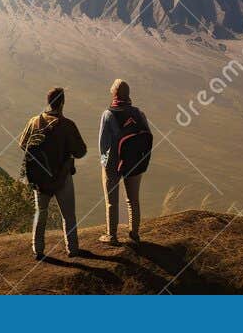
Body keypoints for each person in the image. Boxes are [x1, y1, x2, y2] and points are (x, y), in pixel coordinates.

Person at [18, 86, 87, 261]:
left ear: (48, 102)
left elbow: (22, 144)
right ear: (62, 103)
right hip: (62, 177)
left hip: (40, 178)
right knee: (68, 215)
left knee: (41, 213)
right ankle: (72, 248)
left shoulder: (34, 121)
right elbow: (81, 151)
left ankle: (38, 249)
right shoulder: (68, 125)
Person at [98, 78, 153, 245]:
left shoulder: (108, 114)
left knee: (111, 202)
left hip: (113, 163)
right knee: (133, 200)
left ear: (114, 94)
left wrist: (105, 164)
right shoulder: (139, 113)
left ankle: (112, 235)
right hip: (134, 161)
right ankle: (134, 234)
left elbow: (103, 144)